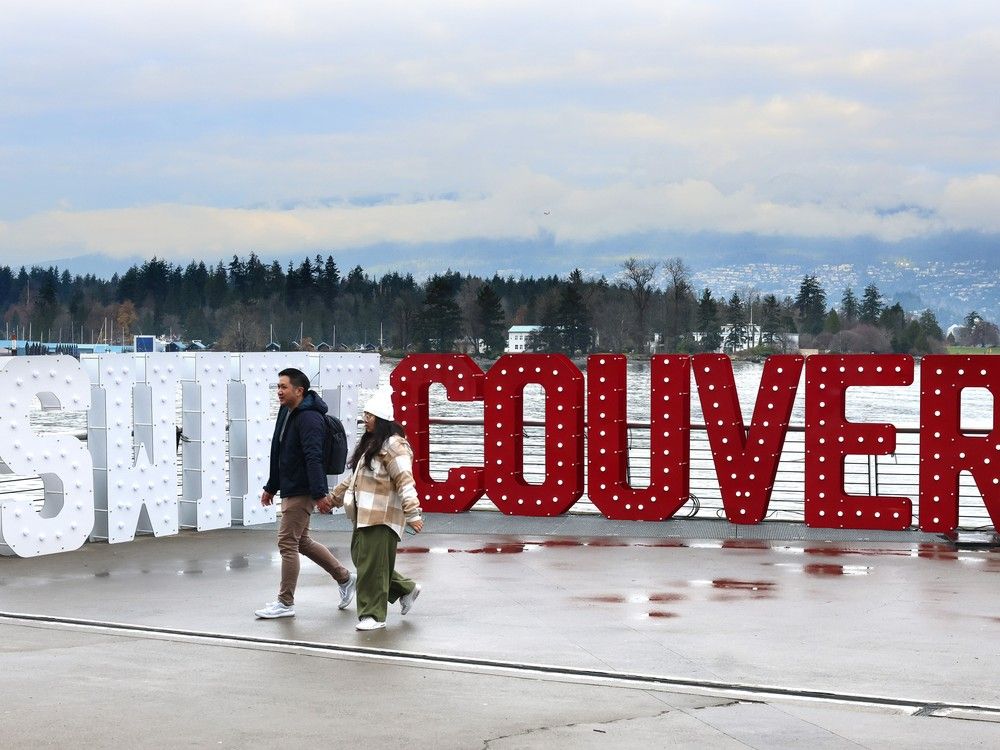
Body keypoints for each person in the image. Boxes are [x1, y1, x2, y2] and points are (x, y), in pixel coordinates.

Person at [254, 368, 356, 619]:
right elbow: (278, 451)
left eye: (284, 387)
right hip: (291, 485)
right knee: (301, 542)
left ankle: (285, 602)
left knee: (287, 542)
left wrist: (320, 494)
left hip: (302, 488)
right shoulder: (286, 411)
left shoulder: (309, 418)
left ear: (299, 391)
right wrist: (271, 486)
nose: (279, 392)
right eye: (278, 386)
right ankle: (345, 578)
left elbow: (314, 457)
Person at [320, 388, 423, 631]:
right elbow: (354, 479)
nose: (364, 419)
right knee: (363, 560)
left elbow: (405, 481)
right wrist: (333, 498)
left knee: (370, 567)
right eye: (364, 414)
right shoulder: (372, 444)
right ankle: (406, 588)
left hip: (382, 516)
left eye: (369, 415)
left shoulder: (395, 446)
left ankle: (374, 615)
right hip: (363, 515)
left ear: (381, 418)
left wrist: (413, 513)